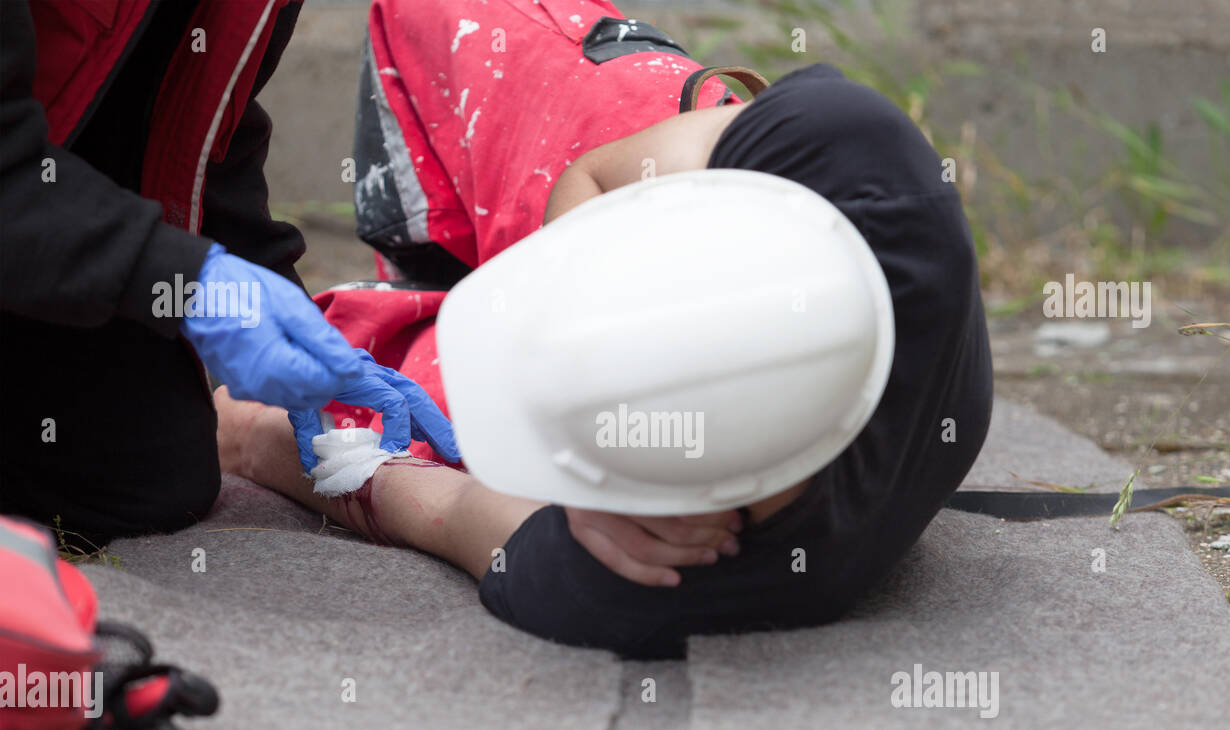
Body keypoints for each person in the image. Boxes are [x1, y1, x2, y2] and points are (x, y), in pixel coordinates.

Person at [214, 0, 993, 658]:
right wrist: (573, 293)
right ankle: (450, 257)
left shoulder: (664, 576)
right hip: (648, 201)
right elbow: (591, 173)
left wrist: (249, 436)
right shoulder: (851, 155)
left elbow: (443, 509)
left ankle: (422, 305)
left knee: (364, 403)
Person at [0, 0, 456, 552]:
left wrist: (292, 313)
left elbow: (207, 136)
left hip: (55, 227)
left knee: (153, 481)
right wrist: (176, 274)